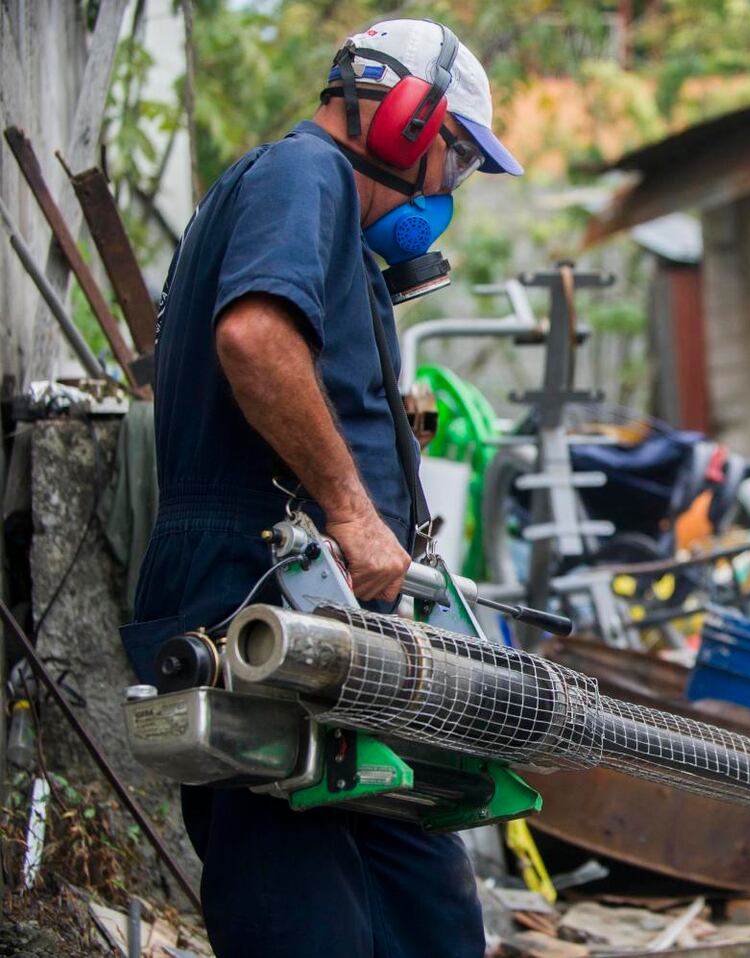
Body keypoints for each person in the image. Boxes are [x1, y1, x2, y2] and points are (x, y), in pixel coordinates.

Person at [120, 18, 522, 957]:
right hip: (268, 582)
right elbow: (255, 338)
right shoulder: (303, 175)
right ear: (408, 120)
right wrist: (351, 508)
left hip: (336, 605)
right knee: (301, 913)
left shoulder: (317, 213)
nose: (450, 188)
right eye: (457, 157)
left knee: (425, 912)